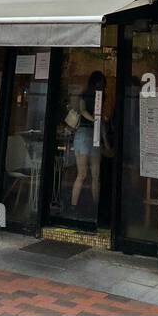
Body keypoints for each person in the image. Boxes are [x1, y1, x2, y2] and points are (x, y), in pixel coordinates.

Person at [70, 71, 106, 213]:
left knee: (84, 175)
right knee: (92, 176)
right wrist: (96, 120)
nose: (101, 86)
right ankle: (94, 207)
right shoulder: (96, 96)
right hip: (88, 133)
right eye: (100, 83)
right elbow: (83, 111)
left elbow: (83, 110)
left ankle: (74, 207)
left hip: (85, 134)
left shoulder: (87, 95)